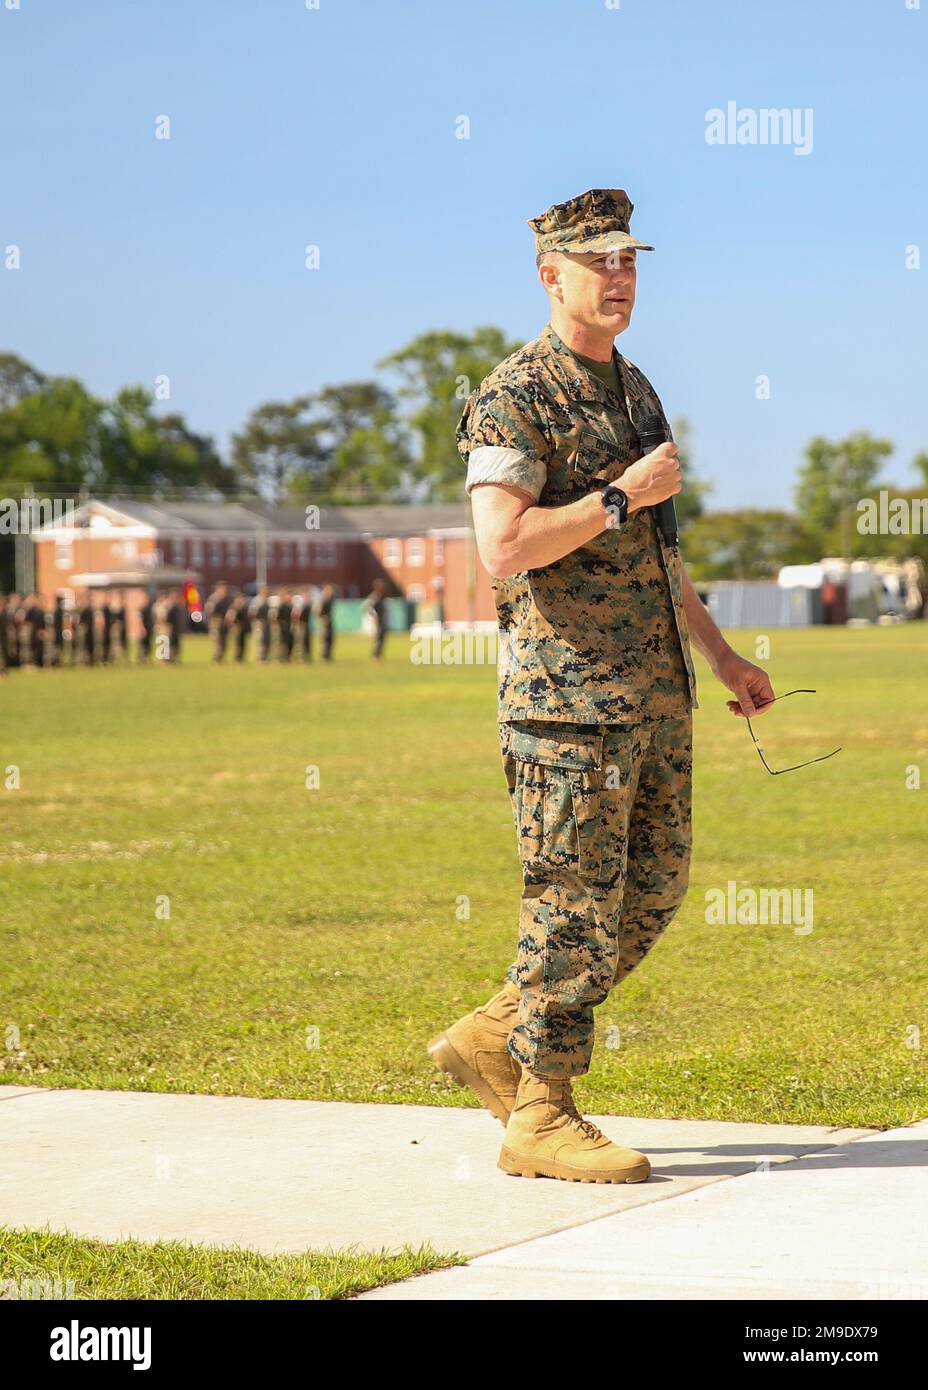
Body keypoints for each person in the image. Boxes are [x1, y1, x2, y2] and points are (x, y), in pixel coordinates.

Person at [430, 187, 775, 1185]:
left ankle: (497, 1033)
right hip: (567, 699)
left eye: (630, 260)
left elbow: (662, 559)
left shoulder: (636, 392)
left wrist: (722, 656)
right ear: (551, 275)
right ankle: (540, 1113)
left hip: (655, 691)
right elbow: (501, 549)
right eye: (599, 262)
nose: (619, 277)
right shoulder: (514, 396)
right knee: (571, 904)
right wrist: (619, 494)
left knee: (653, 891)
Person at [363, 578, 389, 661]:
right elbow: (368, 608)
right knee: (378, 638)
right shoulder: (375, 597)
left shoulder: (381, 596)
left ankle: (379, 654)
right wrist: (374, 616)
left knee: (381, 638)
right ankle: (376, 655)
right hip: (377, 621)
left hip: (382, 620)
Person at [205, 582, 231, 663]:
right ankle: (216, 659)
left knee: (223, 641)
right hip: (216, 622)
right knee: (217, 641)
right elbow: (209, 611)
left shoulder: (226, 599)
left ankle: (221, 658)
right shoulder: (214, 598)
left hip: (223, 622)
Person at [227, 591, 251, 663]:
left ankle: (241, 658)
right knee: (237, 644)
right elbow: (230, 617)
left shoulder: (244, 607)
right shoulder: (233, 607)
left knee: (243, 644)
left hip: (243, 627)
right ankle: (237, 659)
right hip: (236, 627)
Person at [250, 587, 271, 663]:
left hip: (266, 623)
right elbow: (252, 613)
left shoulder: (267, 601)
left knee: (265, 640)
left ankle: (264, 657)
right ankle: (258, 658)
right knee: (259, 640)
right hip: (259, 623)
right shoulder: (257, 601)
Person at [315, 583, 335, 662]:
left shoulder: (330, 600)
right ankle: (324, 656)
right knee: (325, 639)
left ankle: (328, 656)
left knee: (330, 639)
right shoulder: (323, 600)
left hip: (330, 622)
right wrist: (322, 618)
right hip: (324, 622)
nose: (331, 591)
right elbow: (317, 611)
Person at [275, 589, 293, 662]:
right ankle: (281, 658)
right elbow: (278, 618)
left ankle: (287, 657)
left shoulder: (290, 606)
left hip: (289, 627)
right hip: (283, 628)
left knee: (289, 642)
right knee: (282, 643)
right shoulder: (281, 606)